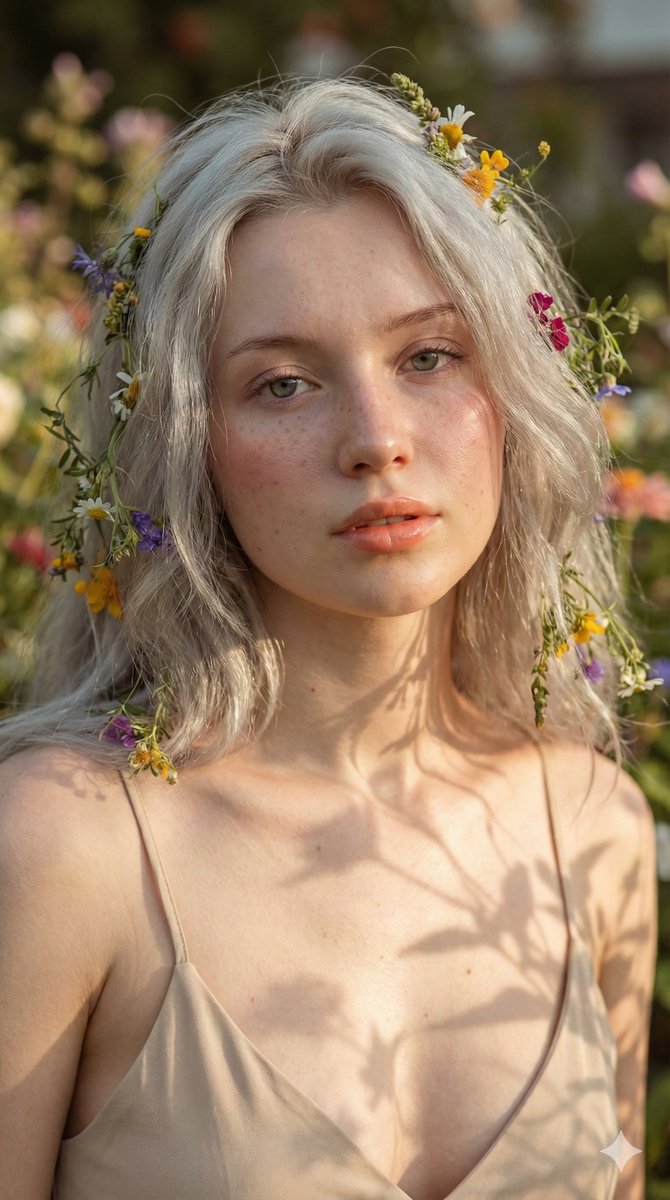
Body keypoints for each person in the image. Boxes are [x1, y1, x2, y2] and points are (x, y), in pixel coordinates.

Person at [0, 73, 658, 1200]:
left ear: (514, 392)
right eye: (285, 384)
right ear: (183, 442)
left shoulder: (590, 827)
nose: (375, 438)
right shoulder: (63, 847)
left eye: (429, 356)